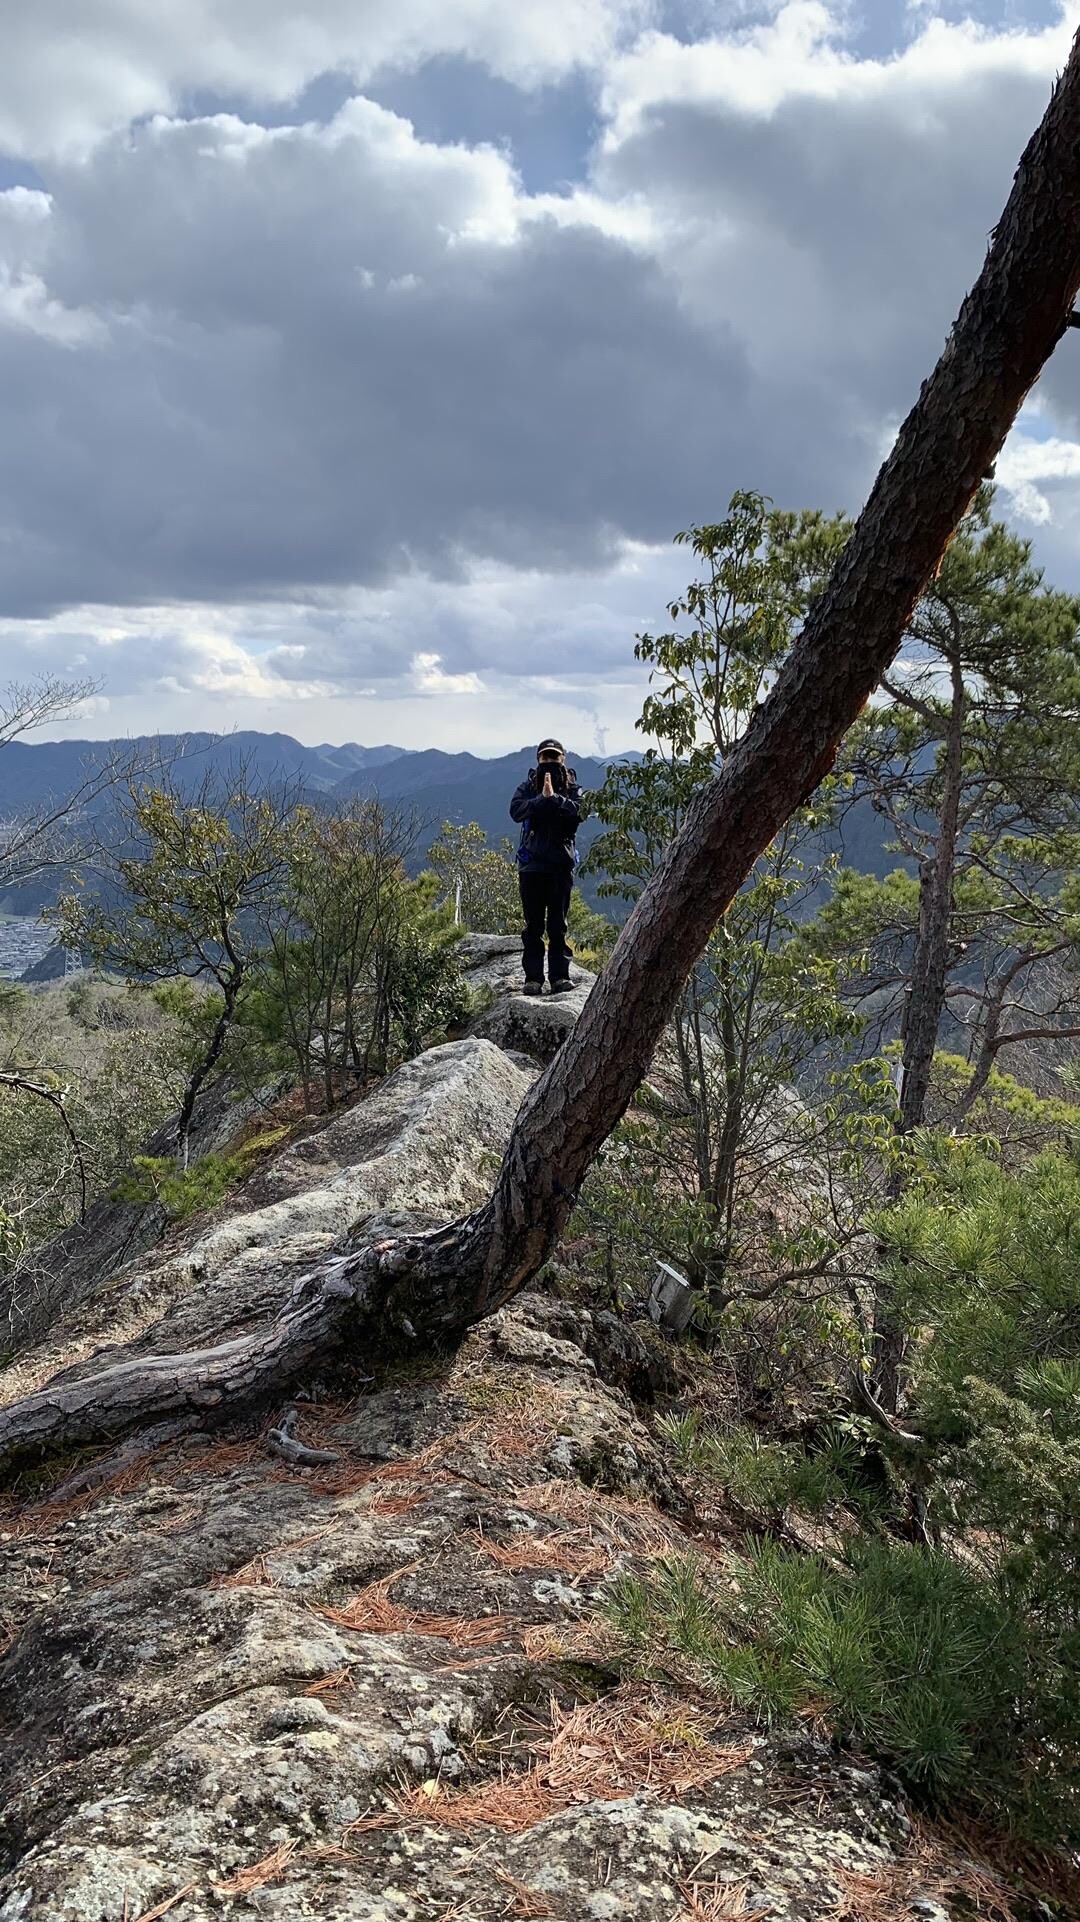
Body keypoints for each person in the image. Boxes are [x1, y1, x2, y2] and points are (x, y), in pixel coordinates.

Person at [510, 738, 582, 996]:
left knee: (557, 925)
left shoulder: (572, 787)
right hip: (531, 866)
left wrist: (555, 799)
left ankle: (559, 977)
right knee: (533, 926)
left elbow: (580, 812)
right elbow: (515, 811)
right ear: (538, 759)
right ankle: (533, 979)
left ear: (563, 759)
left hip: (560, 866)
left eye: (554, 757)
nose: (549, 761)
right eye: (545, 757)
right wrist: (541, 798)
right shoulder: (528, 787)